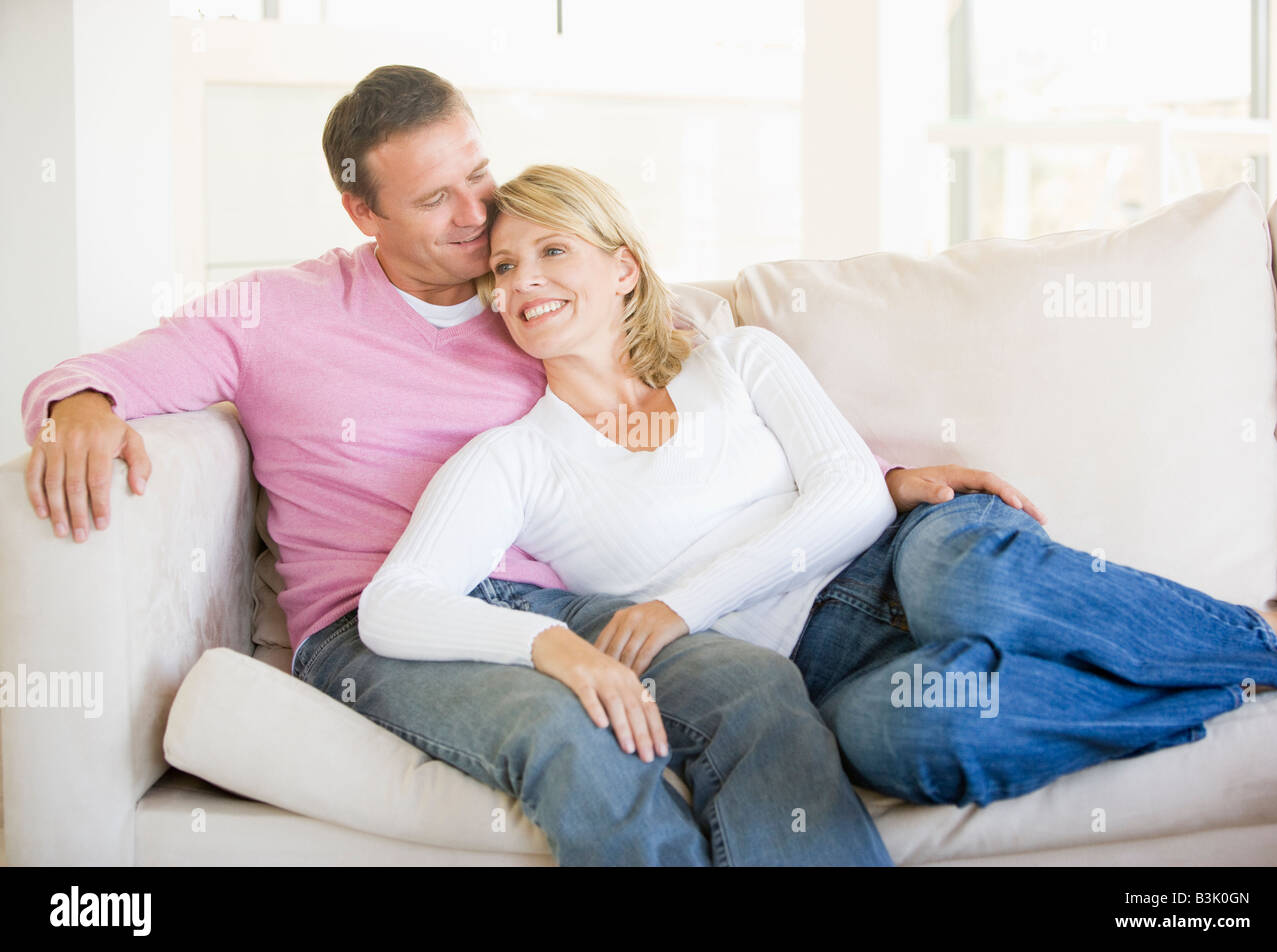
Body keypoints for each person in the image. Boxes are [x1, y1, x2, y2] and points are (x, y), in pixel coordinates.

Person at [21, 64, 980, 866]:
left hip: (540, 602)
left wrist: (881, 482)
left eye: (479, 175)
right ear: (363, 210)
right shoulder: (274, 312)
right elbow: (94, 372)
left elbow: (692, 408)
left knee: (752, 689)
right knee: (570, 737)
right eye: (435, 199)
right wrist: (79, 408)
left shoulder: (534, 299)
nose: (478, 215)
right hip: (379, 627)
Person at [360, 162, 1277, 814]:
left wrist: (682, 605)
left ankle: (1276, 647)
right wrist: (552, 645)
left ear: (622, 266)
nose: (523, 283)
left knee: (968, 583)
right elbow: (394, 606)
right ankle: (1230, 676)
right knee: (916, 738)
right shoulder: (511, 460)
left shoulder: (736, 360)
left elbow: (852, 495)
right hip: (828, 674)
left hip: (902, 557)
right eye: (504, 269)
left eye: (551, 251)